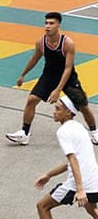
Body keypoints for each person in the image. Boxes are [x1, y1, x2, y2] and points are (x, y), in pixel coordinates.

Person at [24, 92, 98, 219]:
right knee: (93, 211)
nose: (53, 112)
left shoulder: (63, 131)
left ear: (68, 113)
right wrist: (49, 174)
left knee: (42, 206)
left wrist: (79, 190)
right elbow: (71, 162)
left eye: (58, 109)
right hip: (94, 180)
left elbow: (73, 161)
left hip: (79, 184)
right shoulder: (79, 127)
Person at [6, 12, 98, 146]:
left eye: (51, 23)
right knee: (31, 100)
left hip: (68, 78)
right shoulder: (41, 42)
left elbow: (68, 68)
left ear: (58, 25)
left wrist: (57, 90)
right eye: (46, 23)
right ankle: (24, 133)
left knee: (83, 105)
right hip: (49, 75)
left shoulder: (67, 43)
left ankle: (94, 131)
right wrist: (23, 75)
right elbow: (35, 58)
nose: (47, 26)